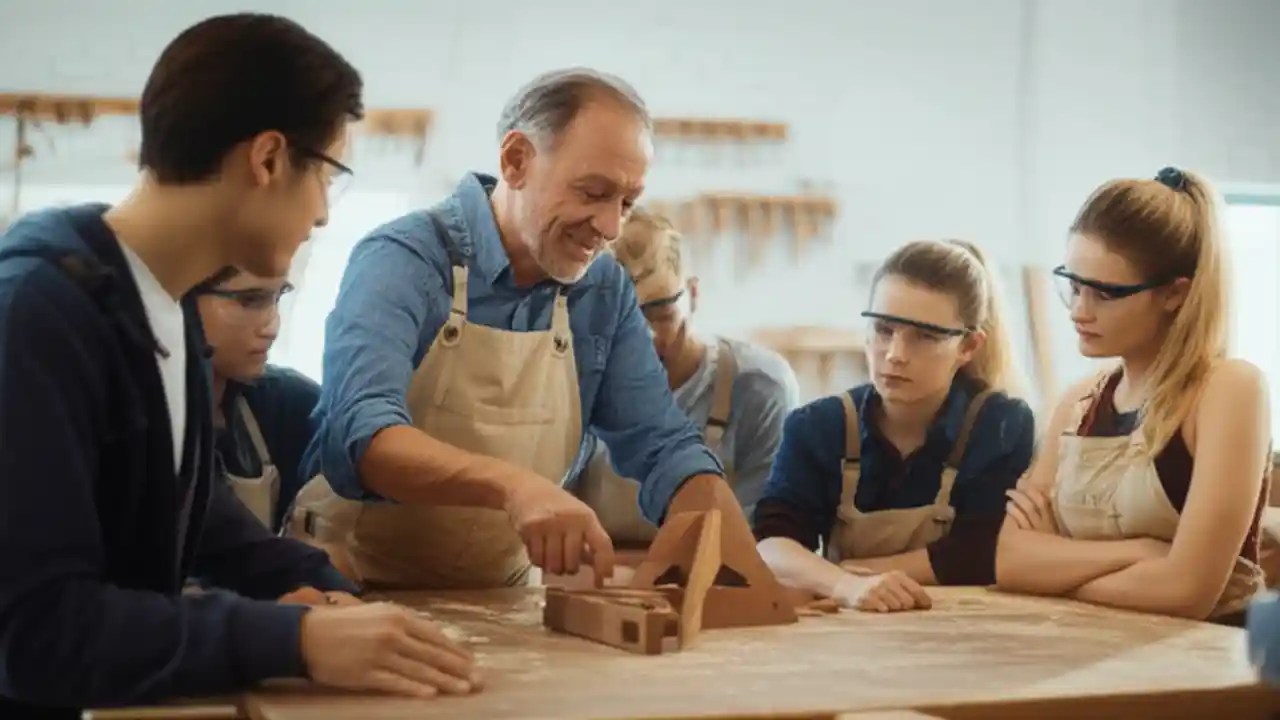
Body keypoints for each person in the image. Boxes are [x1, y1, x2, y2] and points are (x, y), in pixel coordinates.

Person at [0, 14, 478, 718]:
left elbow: (194, 513)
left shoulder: (155, 306)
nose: (321, 213)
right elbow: (35, 635)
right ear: (268, 159)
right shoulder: (39, 314)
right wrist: (296, 641)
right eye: (328, 175)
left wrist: (306, 578)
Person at [294, 68, 762, 591]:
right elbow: (366, 437)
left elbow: (661, 441)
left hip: (500, 595)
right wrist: (515, 487)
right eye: (592, 192)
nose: (609, 228)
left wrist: (705, 504)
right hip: (350, 582)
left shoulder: (601, 290)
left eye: (626, 204)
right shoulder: (405, 259)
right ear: (516, 161)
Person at [995, 167, 1272, 624]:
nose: (1080, 311)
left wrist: (1058, 569)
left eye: (1105, 294)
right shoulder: (1078, 403)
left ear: (1174, 294)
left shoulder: (1228, 390)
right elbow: (1011, 561)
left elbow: (1186, 593)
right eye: (1074, 286)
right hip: (1098, 649)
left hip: (1211, 667)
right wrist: (1144, 553)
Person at [754, 239, 1035, 612]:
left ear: (968, 346)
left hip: (965, 636)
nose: (895, 355)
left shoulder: (1000, 424)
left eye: (925, 337)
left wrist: (866, 574)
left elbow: (984, 551)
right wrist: (845, 585)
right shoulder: (817, 427)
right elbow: (772, 544)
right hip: (851, 631)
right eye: (884, 330)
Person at [569, 207, 800, 552]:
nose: (643, 337)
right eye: (622, 320)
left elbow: (765, 545)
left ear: (692, 294)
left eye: (661, 315)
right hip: (595, 577)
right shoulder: (573, 378)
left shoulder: (758, 387)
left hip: (712, 582)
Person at [194, 267, 319, 532]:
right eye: (249, 301)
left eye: (278, 298)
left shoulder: (289, 404)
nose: (272, 328)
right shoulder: (142, 413)